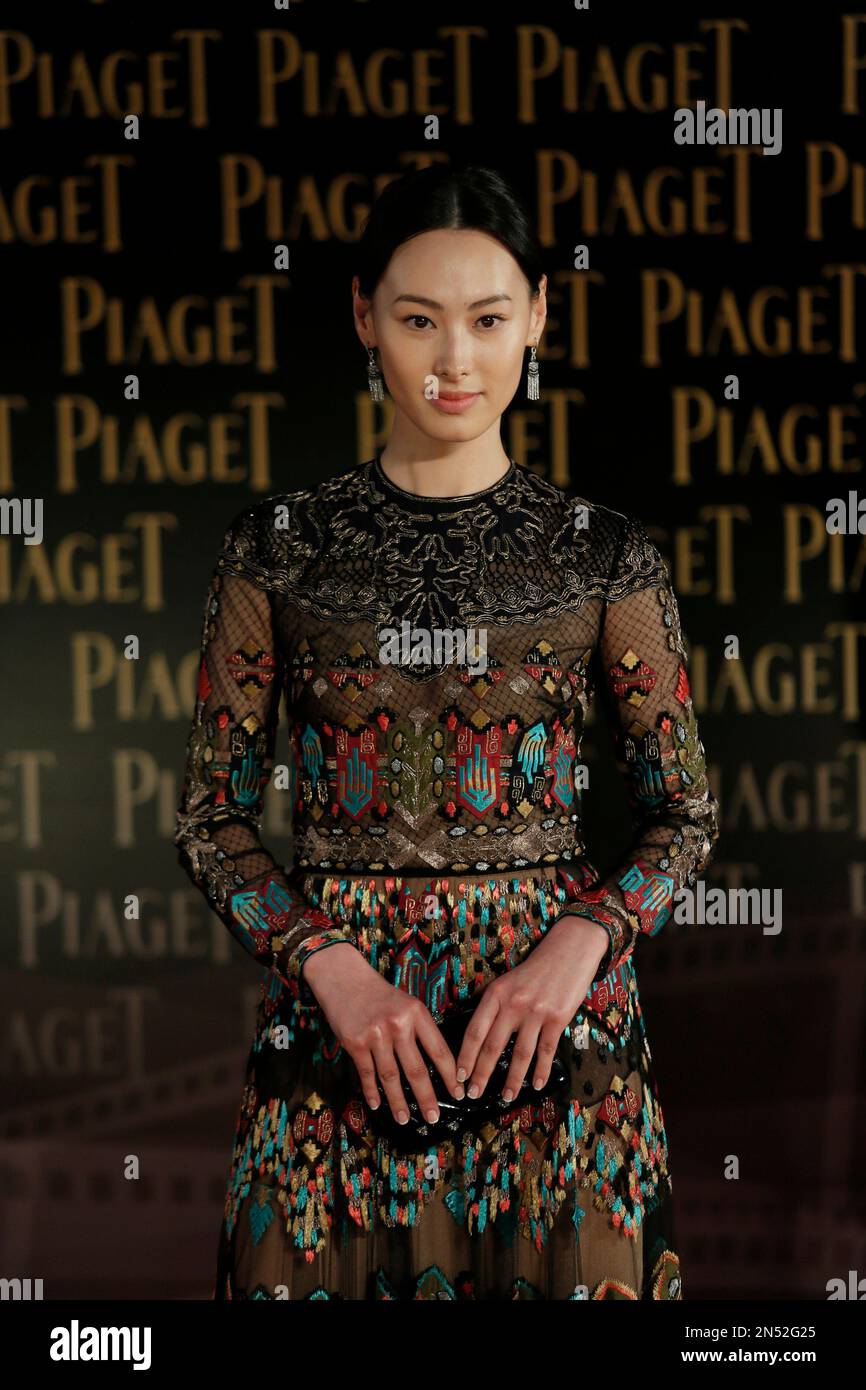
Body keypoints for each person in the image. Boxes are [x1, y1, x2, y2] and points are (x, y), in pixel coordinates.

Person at [173, 163, 720, 1301]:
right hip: (339, 1038)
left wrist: (578, 947)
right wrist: (328, 968)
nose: (454, 360)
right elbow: (210, 816)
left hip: (556, 1042)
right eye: (419, 320)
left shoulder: (601, 553)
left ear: (537, 319)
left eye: (486, 319)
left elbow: (684, 811)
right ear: (363, 314)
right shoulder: (275, 547)